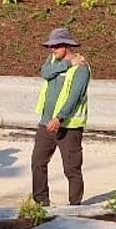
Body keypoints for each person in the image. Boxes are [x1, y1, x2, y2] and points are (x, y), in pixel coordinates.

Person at [31, 27, 90, 207]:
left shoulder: (81, 67)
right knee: (37, 162)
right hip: (45, 123)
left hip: (68, 127)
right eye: (50, 47)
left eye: (55, 46)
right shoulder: (54, 61)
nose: (52, 50)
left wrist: (60, 118)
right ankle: (41, 202)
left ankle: (75, 204)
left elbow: (74, 97)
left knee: (71, 168)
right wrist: (66, 64)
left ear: (66, 46)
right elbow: (45, 73)